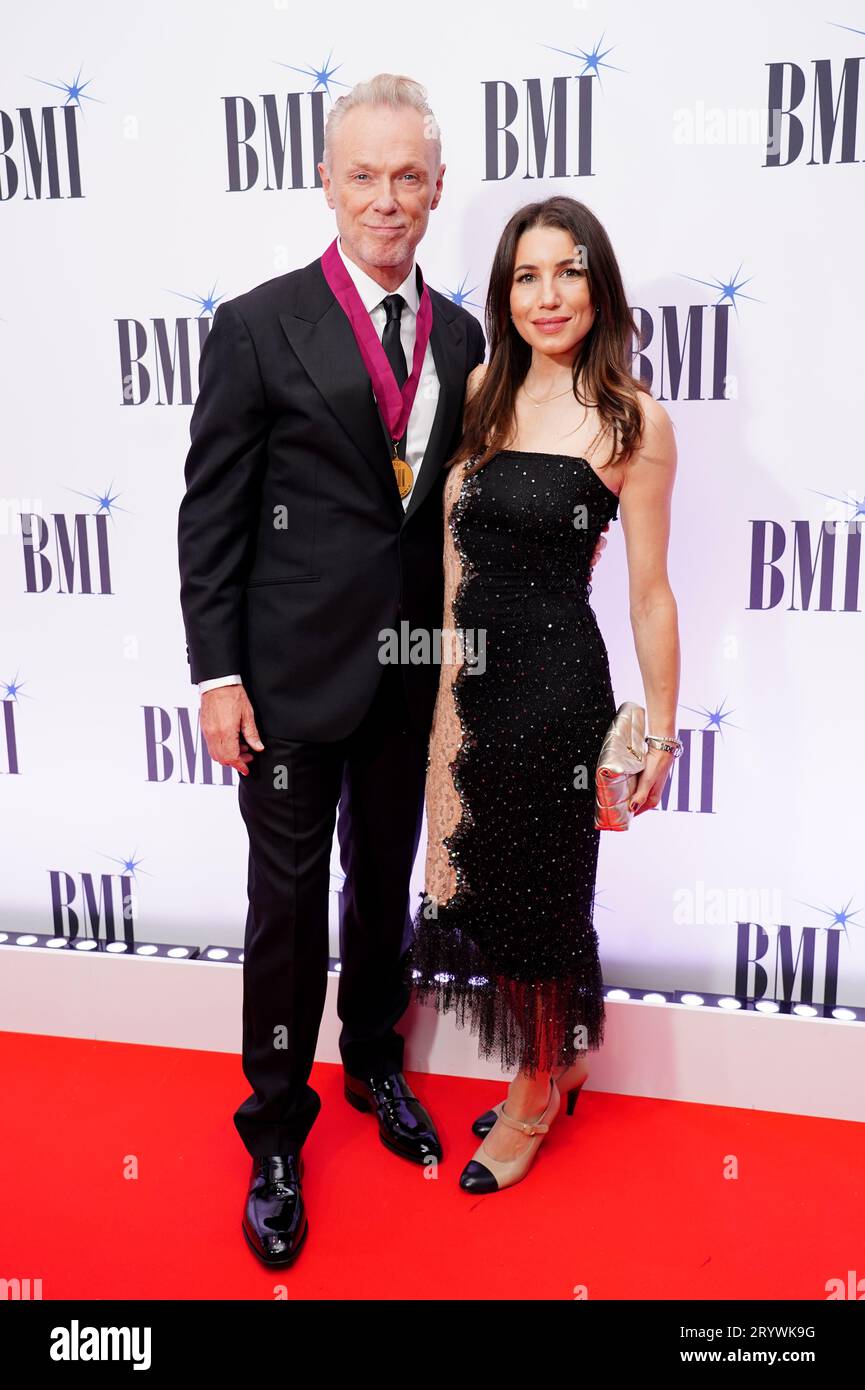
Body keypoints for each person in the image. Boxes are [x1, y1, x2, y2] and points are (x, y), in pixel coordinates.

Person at [406, 195, 681, 1194]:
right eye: (526, 275)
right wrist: (441, 697)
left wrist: (659, 733)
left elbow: (649, 593)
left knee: (544, 901)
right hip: (471, 692)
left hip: (558, 693)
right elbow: (448, 553)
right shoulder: (479, 391)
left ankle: (530, 1096)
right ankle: (553, 1054)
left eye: (567, 271)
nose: (546, 294)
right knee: (486, 889)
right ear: (505, 292)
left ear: (597, 285)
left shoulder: (632, 420)